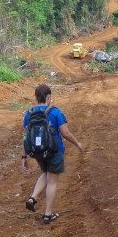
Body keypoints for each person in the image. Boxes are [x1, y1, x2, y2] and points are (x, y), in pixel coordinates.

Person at [22, 83, 83, 224]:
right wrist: (77, 143)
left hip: (37, 152)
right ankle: (48, 214)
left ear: (36, 97)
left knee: (46, 173)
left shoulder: (28, 113)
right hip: (54, 151)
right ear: (48, 97)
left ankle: (33, 197)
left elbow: (26, 137)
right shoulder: (55, 112)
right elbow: (65, 133)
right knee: (52, 181)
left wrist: (24, 156)